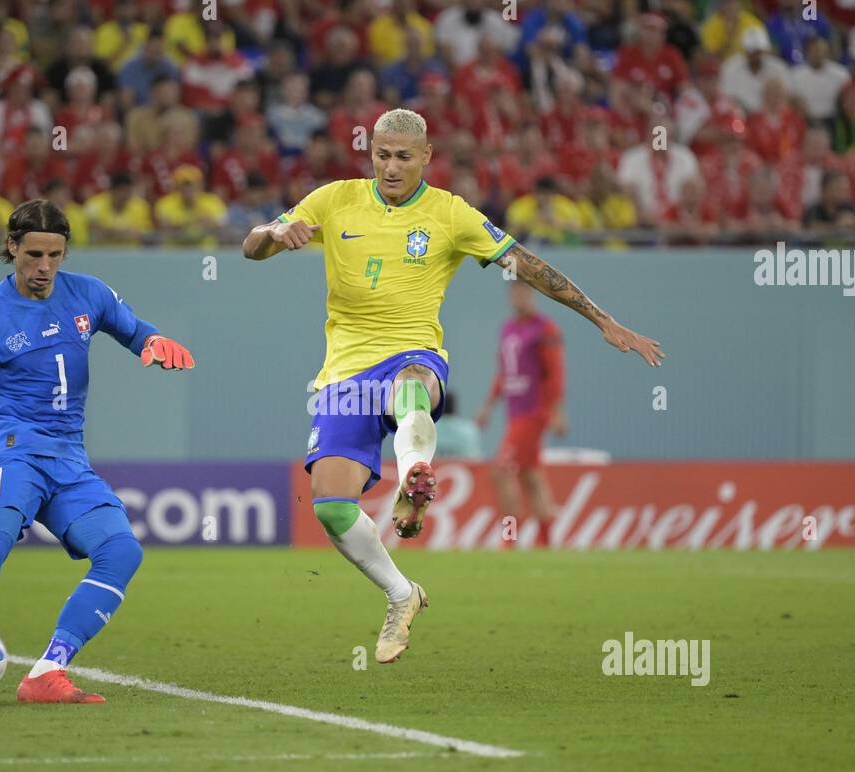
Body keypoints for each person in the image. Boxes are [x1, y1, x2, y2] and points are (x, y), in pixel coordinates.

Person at [241, 108, 663, 663]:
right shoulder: (334, 198)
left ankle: (414, 472)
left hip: (413, 354)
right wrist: (276, 231)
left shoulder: (450, 214)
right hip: (344, 372)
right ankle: (401, 593)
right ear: (371, 154)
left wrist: (602, 318)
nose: (391, 167)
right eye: (382, 155)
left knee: (410, 384)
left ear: (426, 157)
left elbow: (528, 265)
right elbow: (251, 247)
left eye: (403, 157)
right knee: (331, 507)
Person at [0, 200, 195, 706]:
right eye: (34, 254)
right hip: (15, 453)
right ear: (12, 247)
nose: (44, 267)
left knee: (121, 551)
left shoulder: (89, 293)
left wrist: (154, 341)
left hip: (69, 460)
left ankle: (47, 672)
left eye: (55, 255)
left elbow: (133, 329)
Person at [477, 282, 566, 548]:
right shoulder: (508, 329)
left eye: (525, 292)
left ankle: (509, 540)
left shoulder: (545, 329)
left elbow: (555, 372)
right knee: (530, 475)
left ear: (533, 295)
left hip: (534, 412)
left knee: (502, 471)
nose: (520, 297)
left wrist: (556, 411)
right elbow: (505, 373)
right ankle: (546, 542)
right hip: (515, 413)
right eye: (515, 292)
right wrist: (488, 406)